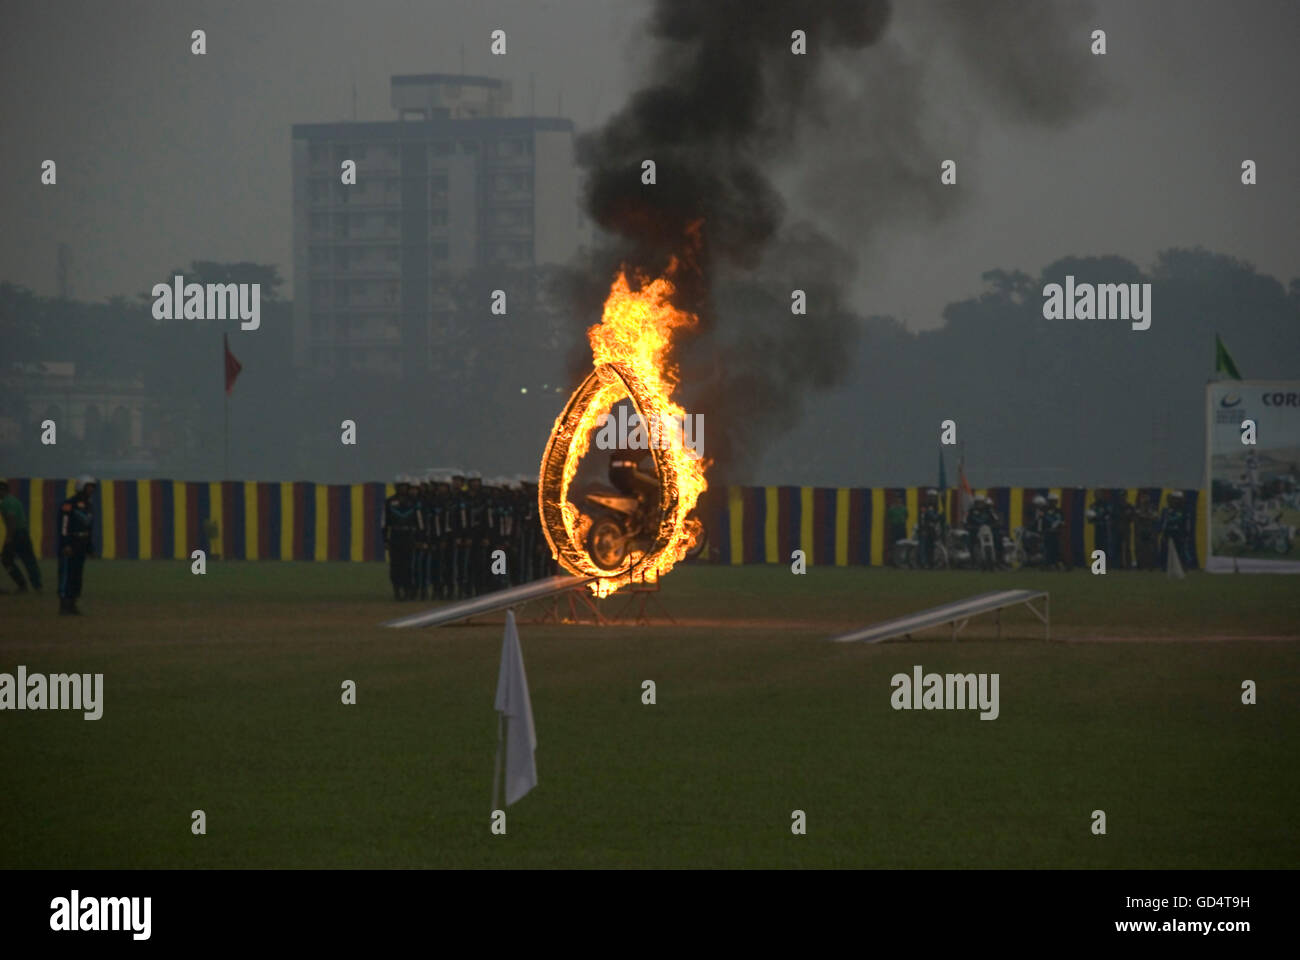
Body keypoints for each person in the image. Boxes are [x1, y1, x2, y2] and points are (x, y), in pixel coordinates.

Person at [57, 475, 96, 614]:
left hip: (81, 544)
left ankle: (73, 603)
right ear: (81, 487)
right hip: (71, 543)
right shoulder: (69, 504)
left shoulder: (88, 506)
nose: (91, 489)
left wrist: (89, 547)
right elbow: (64, 526)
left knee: (77, 575)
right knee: (66, 574)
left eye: (93, 487)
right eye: (89, 486)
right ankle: (64, 604)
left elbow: (88, 528)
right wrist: (66, 544)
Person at [382, 475, 422, 601]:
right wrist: (385, 540)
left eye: (405, 486)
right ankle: (397, 590)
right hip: (395, 536)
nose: (403, 489)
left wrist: (419, 538)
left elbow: (420, 523)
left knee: (408, 565)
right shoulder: (389, 502)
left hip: (409, 536)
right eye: (401, 486)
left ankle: (407, 590)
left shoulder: (415, 502)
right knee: (395, 566)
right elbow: (384, 523)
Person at [1, 479, 42, 593]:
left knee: (6, 559)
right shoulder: (15, 500)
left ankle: (22, 585)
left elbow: (11, 519)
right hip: (23, 533)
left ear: (2, 490)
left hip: (15, 534)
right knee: (29, 560)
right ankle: (37, 586)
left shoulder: (6, 502)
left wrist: (9, 537)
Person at [1159, 491, 1191, 570]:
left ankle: (1183, 566)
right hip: (1168, 532)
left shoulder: (1183, 510)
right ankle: (1165, 566)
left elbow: (1183, 521)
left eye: (1176, 499)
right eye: (1172, 499)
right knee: (1166, 550)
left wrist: (1186, 533)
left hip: (1179, 533)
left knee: (1181, 550)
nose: (1173, 501)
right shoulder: (1166, 510)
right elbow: (1163, 522)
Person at [918, 489, 945, 569]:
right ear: (928, 497)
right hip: (924, 529)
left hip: (932, 530)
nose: (933, 499)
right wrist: (939, 516)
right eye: (932, 497)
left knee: (931, 547)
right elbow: (929, 517)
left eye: (934, 497)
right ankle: (923, 563)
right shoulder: (924, 506)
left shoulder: (935, 506)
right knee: (923, 548)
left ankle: (931, 563)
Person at [1040, 492, 1066, 570]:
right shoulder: (1044, 511)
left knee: (1057, 549)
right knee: (1048, 549)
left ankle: (1057, 564)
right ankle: (1048, 564)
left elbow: (1063, 522)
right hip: (1048, 533)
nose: (1053, 503)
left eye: (1055, 501)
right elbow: (1041, 522)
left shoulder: (1059, 511)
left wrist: (1060, 524)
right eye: (1051, 501)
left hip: (1056, 533)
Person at [1133, 491, 1158, 569]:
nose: (1145, 500)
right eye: (1143, 498)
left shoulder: (1152, 507)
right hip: (1141, 531)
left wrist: (1146, 516)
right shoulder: (1137, 508)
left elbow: (1155, 516)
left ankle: (1151, 565)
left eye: (1146, 497)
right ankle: (1141, 565)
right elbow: (1137, 516)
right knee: (1140, 549)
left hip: (1149, 531)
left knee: (1150, 549)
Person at [885, 494, 908, 566]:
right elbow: (889, 517)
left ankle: (901, 560)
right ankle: (893, 561)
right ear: (895, 500)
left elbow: (906, 516)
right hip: (894, 527)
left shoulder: (904, 509)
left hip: (901, 527)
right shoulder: (892, 509)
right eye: (897, 499)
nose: (898, 500)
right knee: (894, 544)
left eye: (900, 499)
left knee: (903, 544)